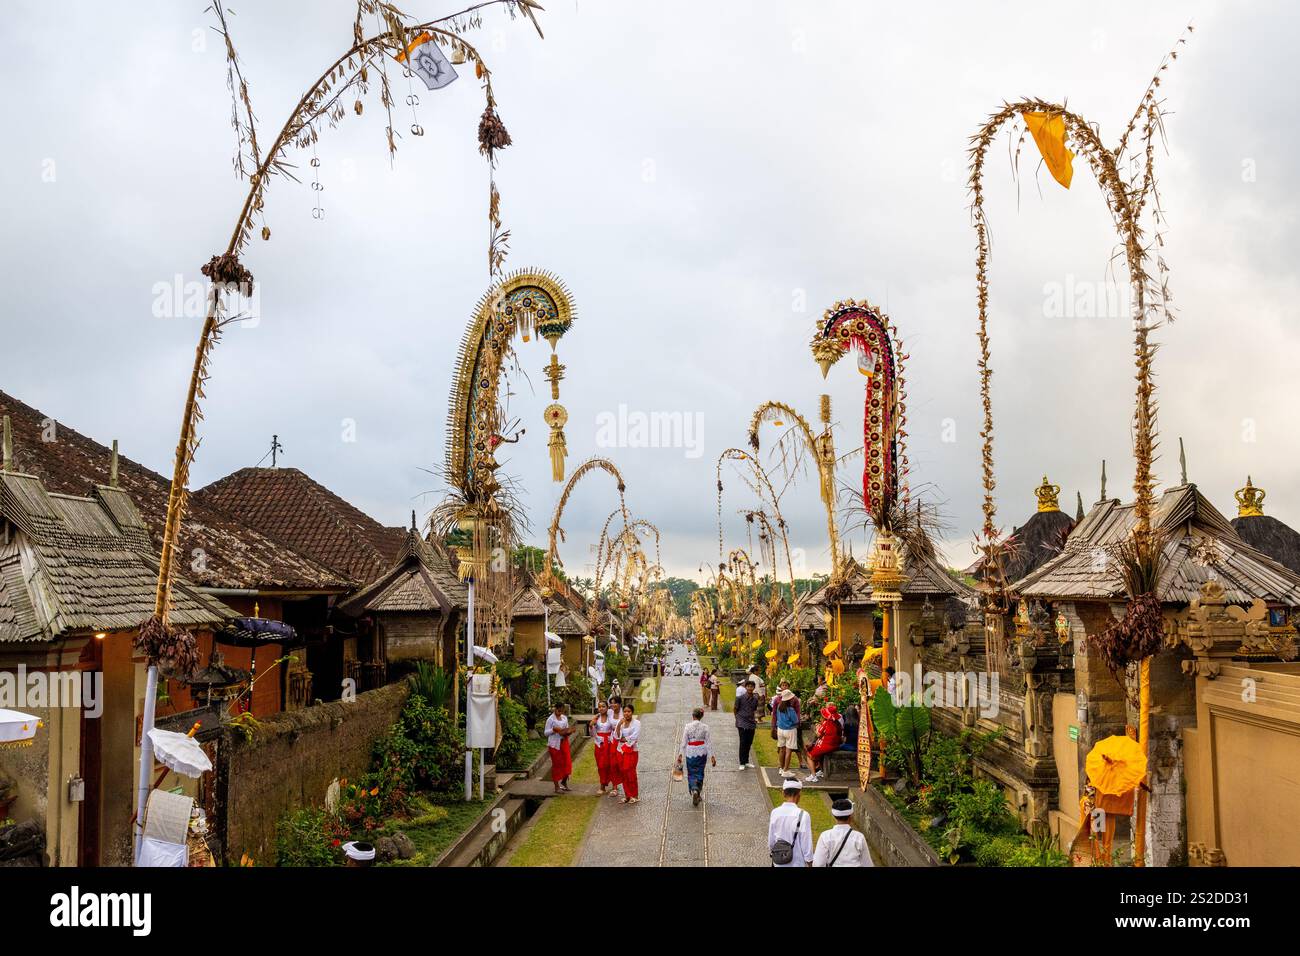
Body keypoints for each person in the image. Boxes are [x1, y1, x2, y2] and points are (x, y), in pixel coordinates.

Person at [812, 799, 873, 867]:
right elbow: (867, 863)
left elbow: (818, 864)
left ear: (834, 815)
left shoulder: (825, 836)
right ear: (850, 817)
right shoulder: (859, 837)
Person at [767, 778, 813, 867]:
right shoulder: (803, 814)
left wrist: (774, 852)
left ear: (783, 793)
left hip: (779, 861)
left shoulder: (775, 812)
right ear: (799, 794)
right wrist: (810, 862)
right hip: (797, 862)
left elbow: (771, 840)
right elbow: (806, 843)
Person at [675, 707, 715, 806]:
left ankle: (694, 789)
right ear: (701, 716)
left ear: (693, 716)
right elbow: (709, 743)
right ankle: (698, 790)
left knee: (691, 773)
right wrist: (712, 756)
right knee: (700, 772)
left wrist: (680, 754)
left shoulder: (687, 727)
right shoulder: (705, 727)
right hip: (702, 752)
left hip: (690, 752)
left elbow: (684, 742)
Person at [804, 704, 843, 783]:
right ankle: (821, 771)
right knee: (820, 755)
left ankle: (813, 776)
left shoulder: (827, 723)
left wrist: (817, 728)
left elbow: (818, 734)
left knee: (809, 755)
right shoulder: (838, 723)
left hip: (826, 745)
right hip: (835, 745)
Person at [772, 687, 801, 778]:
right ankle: (786, 770)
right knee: (788, 751)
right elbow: (795, 720)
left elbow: (776, 716)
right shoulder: (790, 709)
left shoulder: (779, 707)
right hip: (790, 730)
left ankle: (781, 768)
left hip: (780, 730)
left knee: (781, 749)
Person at [544, 702, 573, 794]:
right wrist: (553, 730)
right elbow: (545, 733)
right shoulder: (550, 719)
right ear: (555, 709)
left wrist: (568, 731)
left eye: (561, 711)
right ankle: (556, 787)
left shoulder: (564, 718)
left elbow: (567, 728)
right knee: (557, 765)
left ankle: (564, 782)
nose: (559, 712)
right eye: (558, 710)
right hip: (554, 745)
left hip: (564, 742)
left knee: (567, 763)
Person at [616, 702, 641, 804]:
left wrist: (624, 739)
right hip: (620, 750)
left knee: (630, 772)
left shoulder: (637, 723)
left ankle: (634, 795)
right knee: (623, 773)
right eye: (625, 711)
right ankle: (627, 795)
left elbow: (635, 737)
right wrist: (618, 725)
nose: (626, 713)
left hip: (631, 751)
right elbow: (616, 737)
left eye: (629, 711)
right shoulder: (621, 722)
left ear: (632, 712)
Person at [591, 700, 618, 795]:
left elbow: (615, 729)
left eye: (603, 706)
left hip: (609, 743)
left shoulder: (611, 718)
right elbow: (592, 734)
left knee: (611, 764)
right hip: (599, 744)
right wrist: (591, 726)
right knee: (601, 765)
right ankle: (602, 785)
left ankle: (615, 786)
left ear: (607, 708)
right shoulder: (596, 718)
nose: (601, 708)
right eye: (599, 707)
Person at [734, 679, 759, 770]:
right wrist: (737, 719)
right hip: (741, 722)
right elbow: (735, 709)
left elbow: (754, 709)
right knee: (743, 742)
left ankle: (747, 761)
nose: (750, 688)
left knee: (749, 742)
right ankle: (742, 762)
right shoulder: (740, 698)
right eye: (748, 686)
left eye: (751, 686)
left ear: (753, 688)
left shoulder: (755, 699)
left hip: (751, 722)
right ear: (746, 687)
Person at [605, 695, 625, 798]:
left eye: (615, 703)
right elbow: (601, 714)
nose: (613, 705)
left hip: (622, 741)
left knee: (621, 764)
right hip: (613, 740)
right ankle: (615, 787)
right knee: (612, 764)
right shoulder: (609, 712)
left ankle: (626, 785)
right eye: (611, 703)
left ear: (620, 704)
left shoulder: (624, 713)